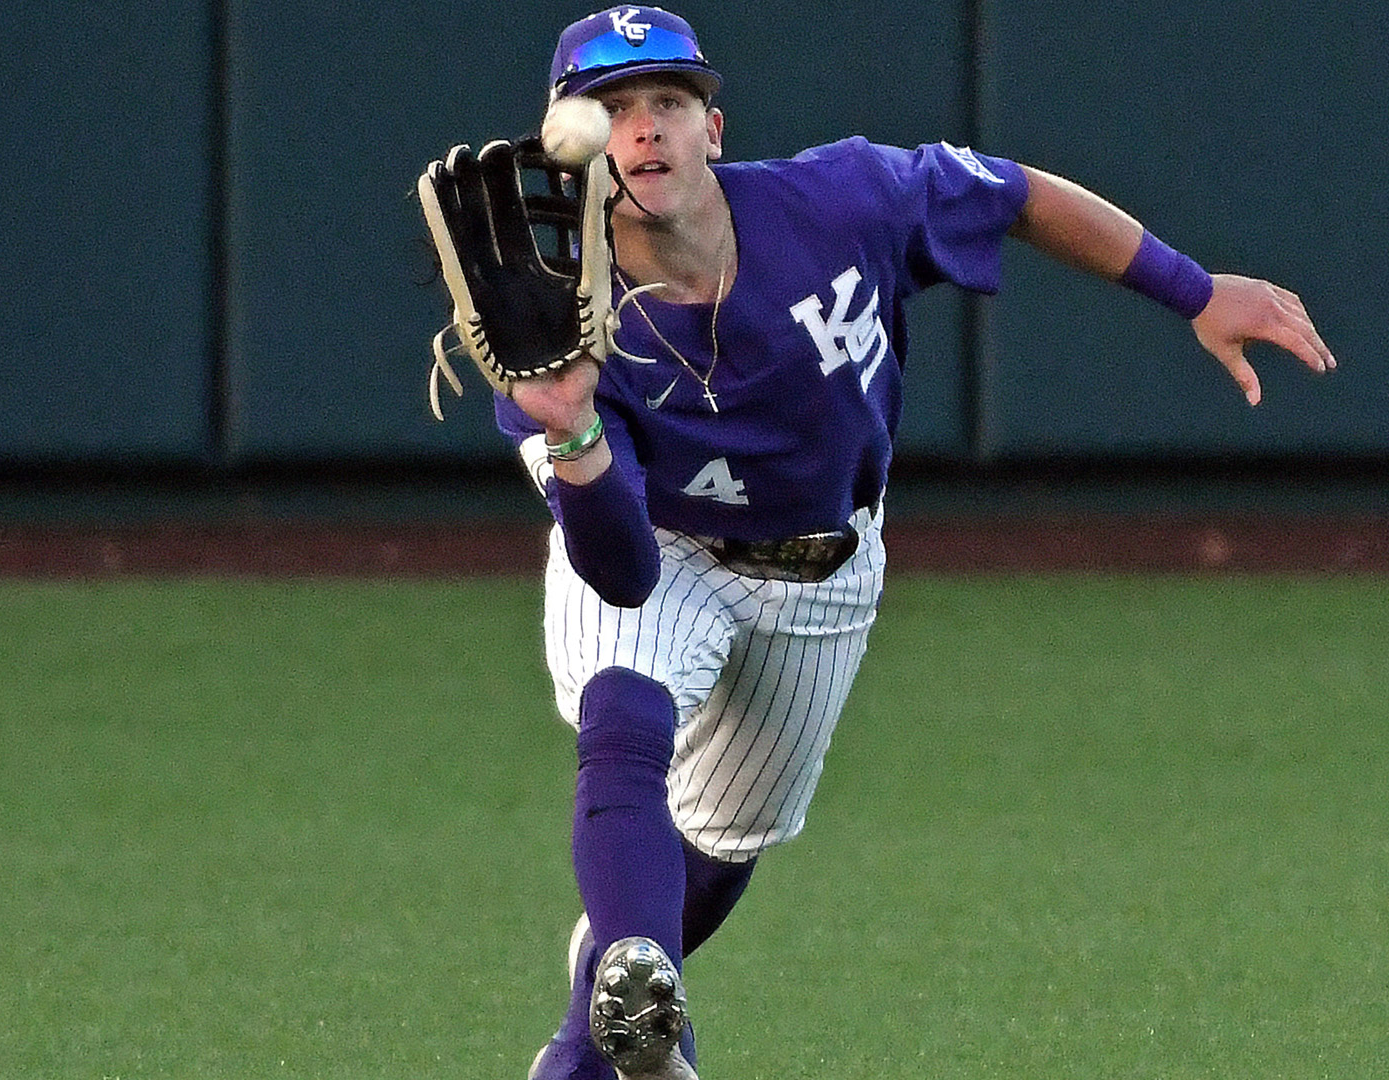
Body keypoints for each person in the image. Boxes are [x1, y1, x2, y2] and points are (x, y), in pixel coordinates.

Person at [486, 7, 1336, 1079]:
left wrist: (1197, 290)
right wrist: (572, 427)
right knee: (622, 707)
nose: (643, 128)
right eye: (611, 110)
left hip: (822, 571)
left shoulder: (848, 198)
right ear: (577, 150)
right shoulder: (550, 337)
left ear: (715, 128)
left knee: (720, 845)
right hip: (661, 545)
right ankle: (598, 1030)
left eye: (667, 101)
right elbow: (618, 571)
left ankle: (625, 962)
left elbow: (1019, 196)